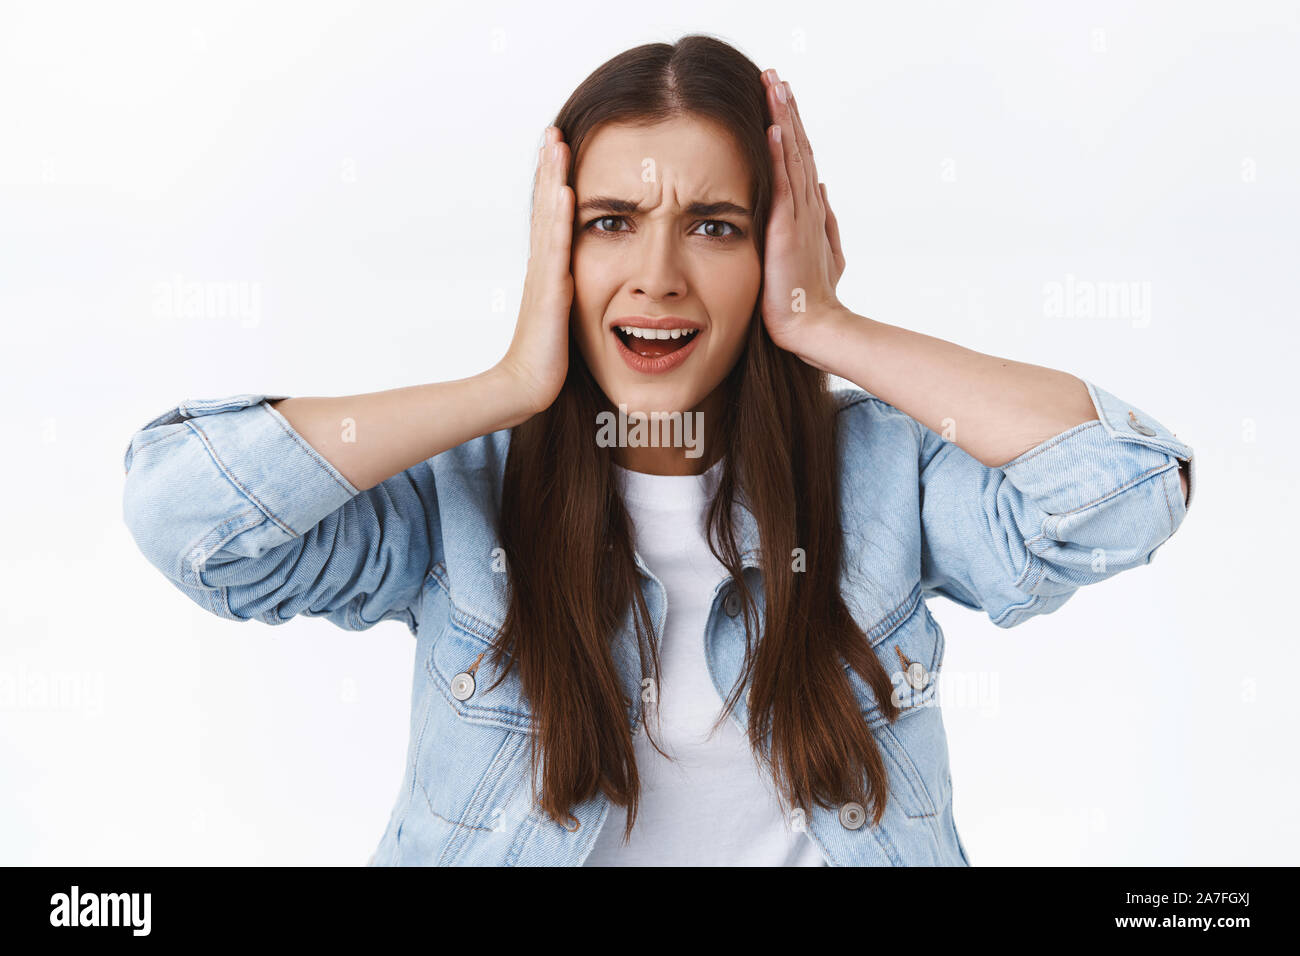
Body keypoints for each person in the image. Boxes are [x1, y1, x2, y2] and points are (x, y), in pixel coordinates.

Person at [121, 35, 1194, 866]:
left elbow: (1127, 489)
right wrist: (504, 385)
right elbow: (185, 517)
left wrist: (830, 323)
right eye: (611, 222)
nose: (659, 274)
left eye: (716, 225)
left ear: (776, 250)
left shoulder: (884, 479)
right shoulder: (460, 494)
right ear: (556, 251)